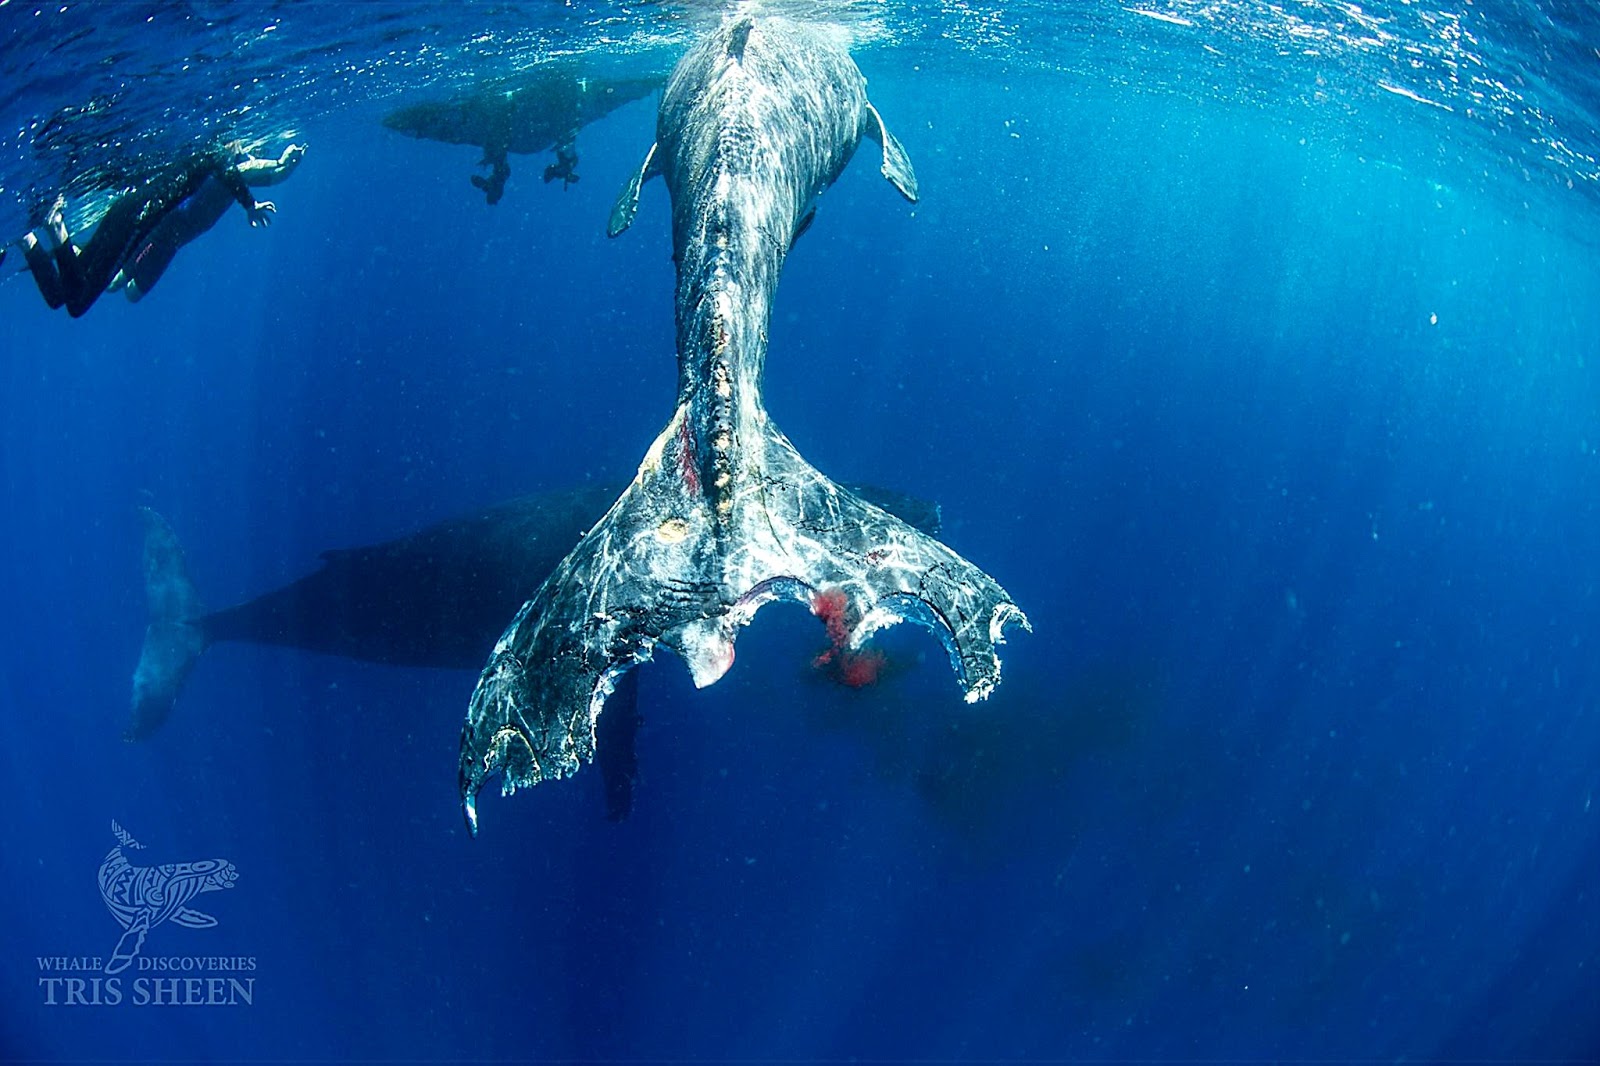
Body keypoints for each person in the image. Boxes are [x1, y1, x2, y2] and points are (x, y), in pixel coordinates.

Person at [19, 142, 304, 316]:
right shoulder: (222, 162)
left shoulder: (216, 164)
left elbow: (260, 171)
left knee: (62, 298)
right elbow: (263, 171)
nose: (249, 155)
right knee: (85, 299)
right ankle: (55, 227)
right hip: (140, 224)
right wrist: (279, 171)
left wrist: (283, 167)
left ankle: (27, 241)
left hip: (136, 220)